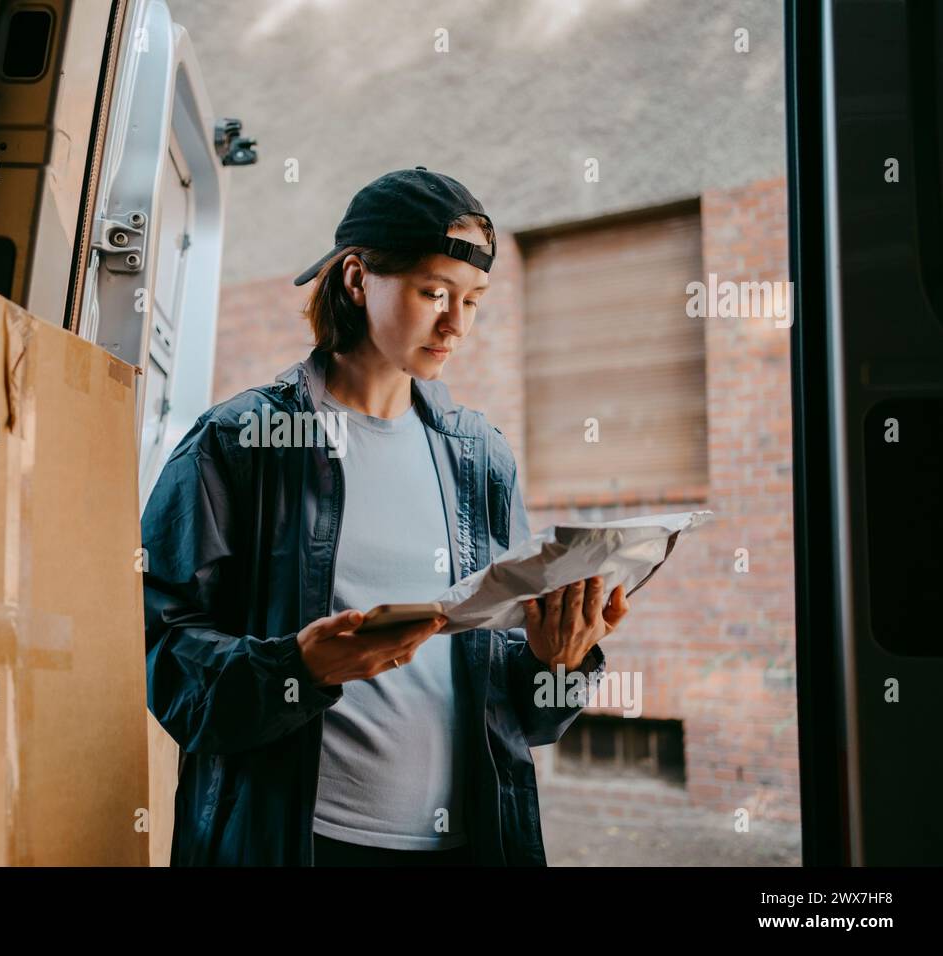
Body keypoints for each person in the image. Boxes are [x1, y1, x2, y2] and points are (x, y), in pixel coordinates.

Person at [141, 167, 630, 867]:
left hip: (470, 845)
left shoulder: (480, 458)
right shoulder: (240, 442)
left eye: (473, 300)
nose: (456, 324)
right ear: (355, 278)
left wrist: (561, 661)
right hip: (296, 844)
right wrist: (296, 668)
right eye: (433, 292)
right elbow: (159, 649)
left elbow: (525, 716)